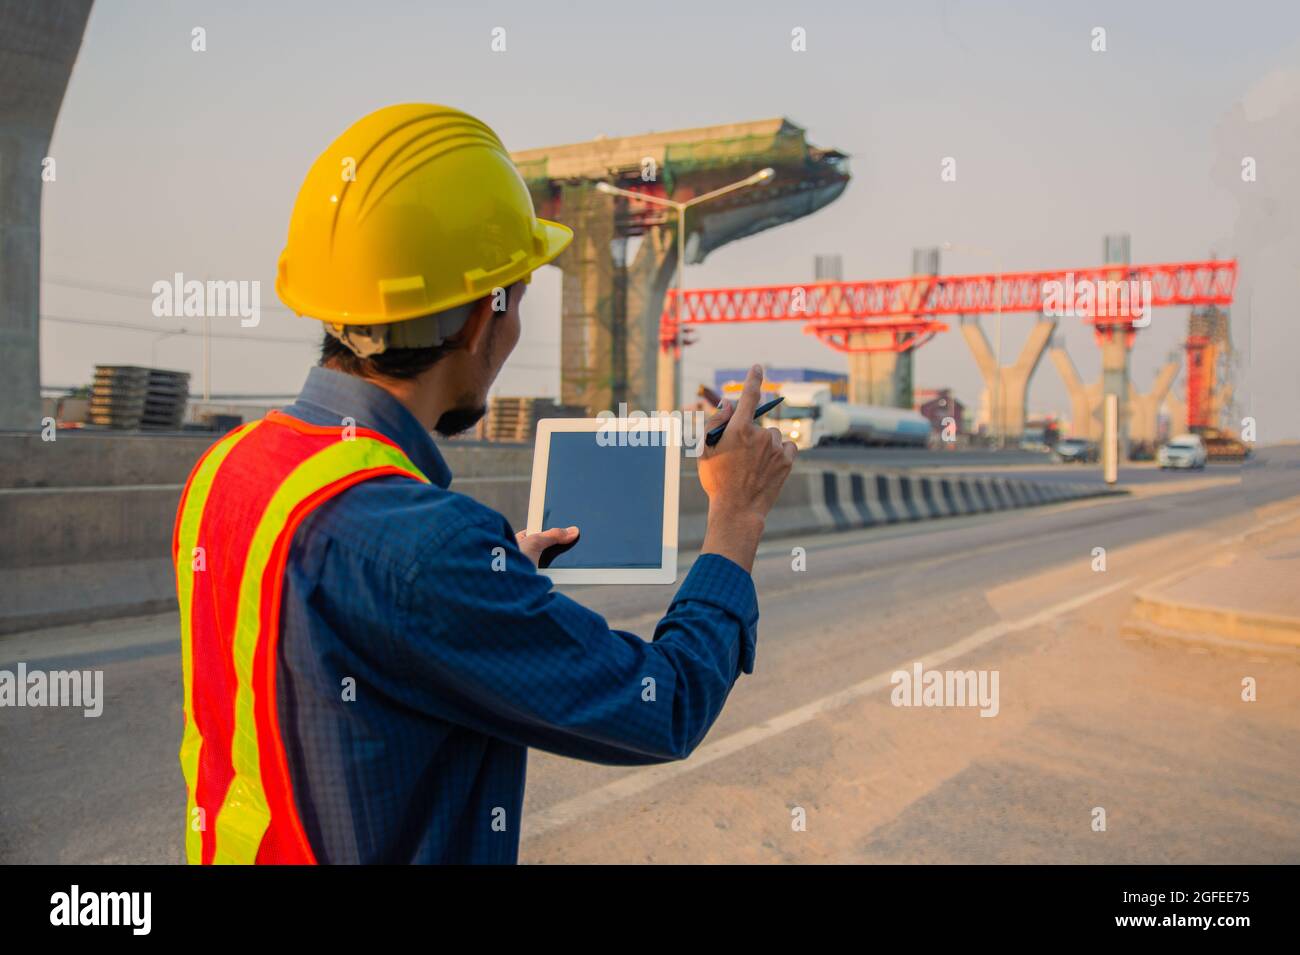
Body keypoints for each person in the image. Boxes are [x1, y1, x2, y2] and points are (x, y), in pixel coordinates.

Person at [173, 103, 795, 864]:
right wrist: (736, 514)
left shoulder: (227, 470)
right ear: (479, 320)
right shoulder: (425, 550)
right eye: (518, 298)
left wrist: (494, 583)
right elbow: (663, 705)